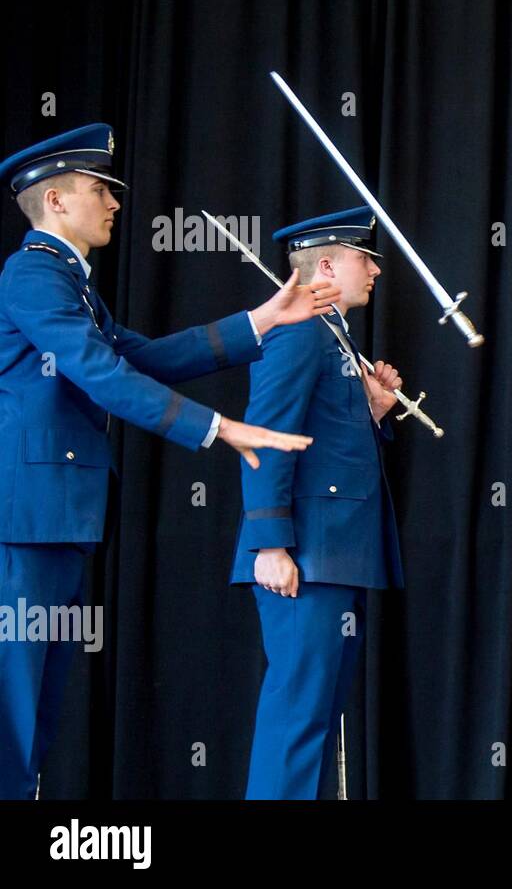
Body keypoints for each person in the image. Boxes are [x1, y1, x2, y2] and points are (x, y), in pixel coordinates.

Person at [0, 123, 338, 798]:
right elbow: (97, 368)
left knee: (35, 711)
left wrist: (262, 320)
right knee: (13, 711)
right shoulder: (33, 271)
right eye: (101, 189)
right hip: (26, 520)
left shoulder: (69, 281)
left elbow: (141, 356)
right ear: (58, 200)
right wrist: (218, 428)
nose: (115, 204)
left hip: (56, 521)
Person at [231, 207, 405, 799]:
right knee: (298, 719)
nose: (376, 269)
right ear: (326, 264)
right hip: (304, 554)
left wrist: (374, 412)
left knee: (318, 716)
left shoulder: (334, 334)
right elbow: (264, 436)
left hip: (336, 551)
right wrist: (270, 542)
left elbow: (328, 438)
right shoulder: (300, 331)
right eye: (365, 257)